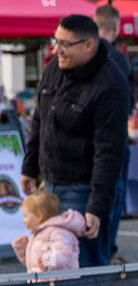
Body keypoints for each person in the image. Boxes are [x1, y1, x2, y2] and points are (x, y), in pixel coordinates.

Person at [20, 14, 128, 269]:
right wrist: (29, 167)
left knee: (86, 269)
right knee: (45, 264)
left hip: (83, 190)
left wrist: (96, 208)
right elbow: (40, 121)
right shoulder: (53, 69)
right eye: (55, 41)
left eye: (65, 44)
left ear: (88, 45)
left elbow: (109, 152)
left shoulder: (110, 85)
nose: (58, 50)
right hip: (51, 185)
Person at [94, 3, 134, 263]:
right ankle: (107, 250)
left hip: (88, 140)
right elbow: (126, 102)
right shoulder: (118, 59)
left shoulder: (81, 55)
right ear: (116, 28)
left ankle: (96, 251)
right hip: (115, 139)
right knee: (114, 195)